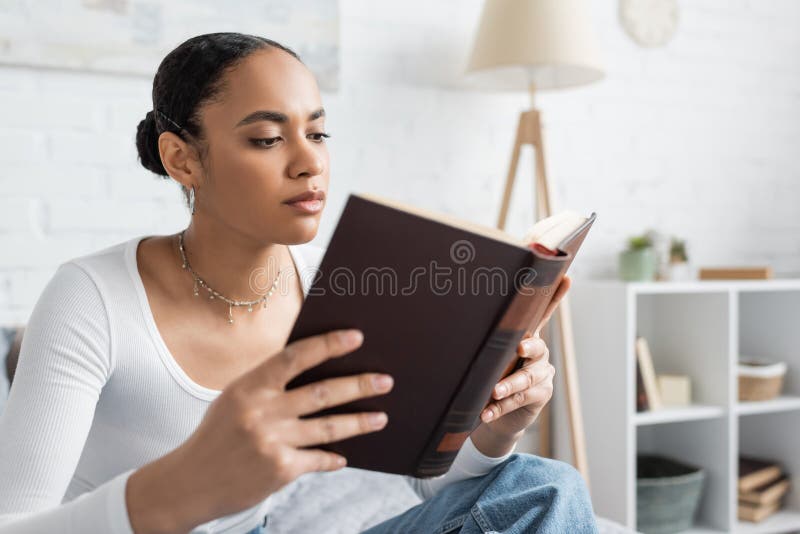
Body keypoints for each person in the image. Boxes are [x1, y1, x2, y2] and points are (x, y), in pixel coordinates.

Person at [0, 33, 597, 533]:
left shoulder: (334, 284)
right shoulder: (91, 298)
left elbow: (427, 487)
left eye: (317, 134)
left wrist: (494, 429)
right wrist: (183, 486)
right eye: (267, 138)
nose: (309, 162)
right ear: (182, 159)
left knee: (542, 487)